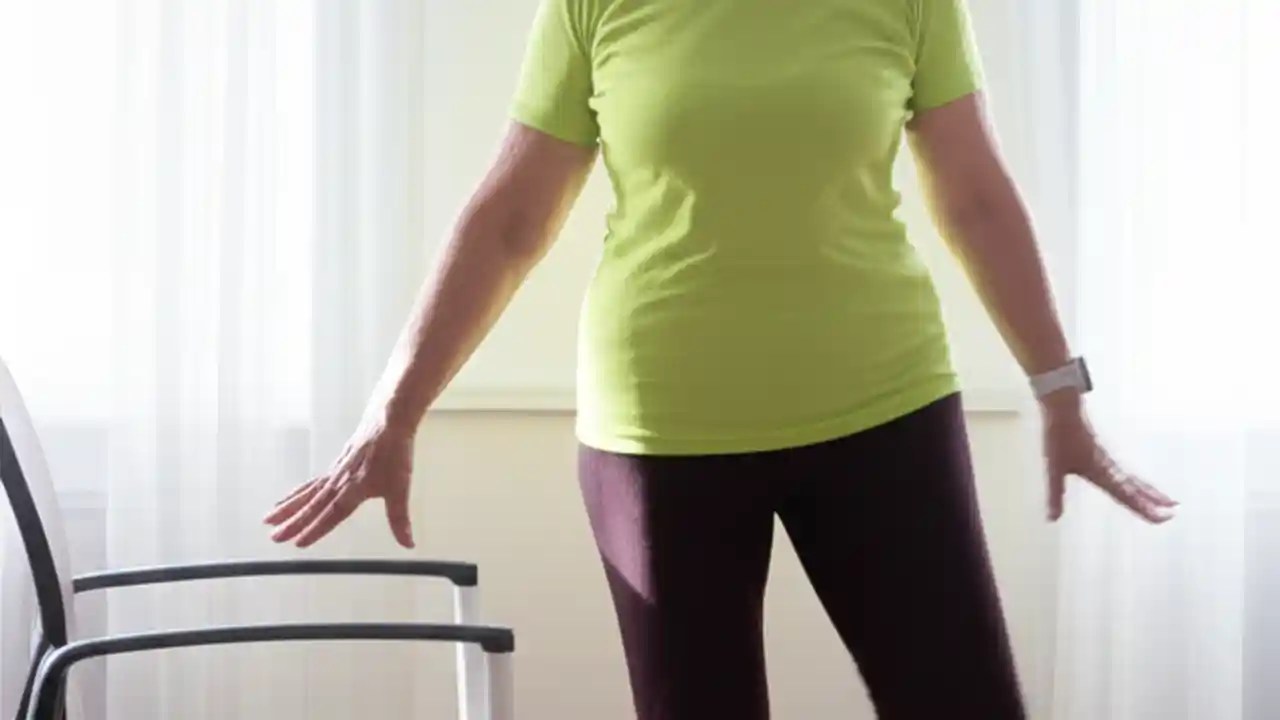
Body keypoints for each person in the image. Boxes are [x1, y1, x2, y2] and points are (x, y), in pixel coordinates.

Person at [265, 0, 1177, 717]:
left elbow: (975, 195)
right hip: (661, 429)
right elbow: (511, 220)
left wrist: (1061, 392)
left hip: (885, 407)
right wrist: (394, 412)